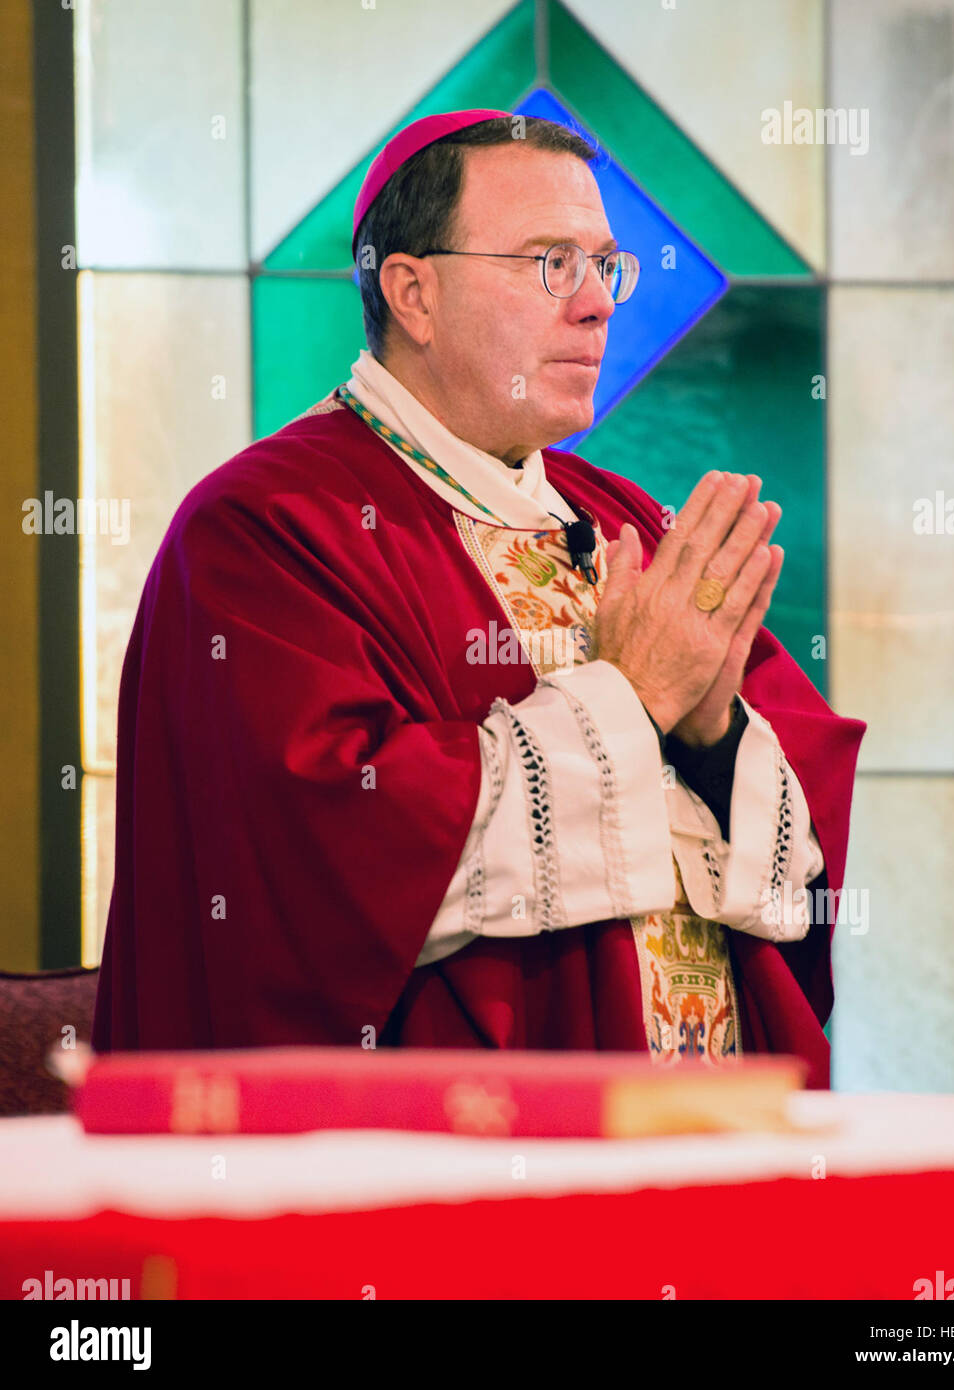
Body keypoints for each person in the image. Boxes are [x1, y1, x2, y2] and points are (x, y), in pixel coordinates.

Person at [91, 110, 866, 1087]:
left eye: (605, 266)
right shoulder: (268, 531)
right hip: (438, 1158)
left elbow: (801, 843)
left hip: (694, 1130)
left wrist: (713, 739)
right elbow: (323, 867)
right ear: (413, 291)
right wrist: (631, 705)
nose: (595, 305)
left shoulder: (625, 523)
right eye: (549, 262)